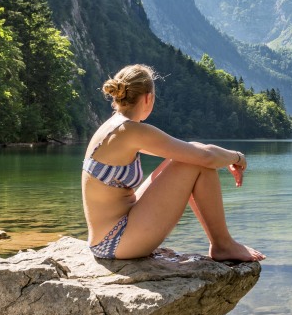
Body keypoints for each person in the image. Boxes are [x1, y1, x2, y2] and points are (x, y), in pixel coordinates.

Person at [81, 63, 265, 262]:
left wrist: (220, 157)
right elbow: (205, 157)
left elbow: (195, 152)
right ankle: (223, 245)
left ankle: (221, 244)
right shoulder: (130, 131)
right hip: (114, 242)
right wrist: (237, 157)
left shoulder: (113, 129)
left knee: (191, 157)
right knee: (196, 162)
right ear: (148, 98)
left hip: (111, 235)